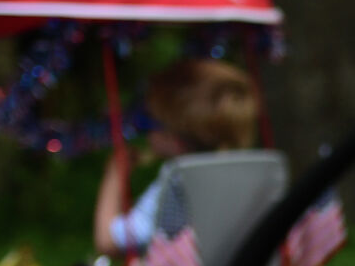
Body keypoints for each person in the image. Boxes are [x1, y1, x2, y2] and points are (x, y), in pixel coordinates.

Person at [92, 58, 259, 255]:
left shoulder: (178, 178)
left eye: (149, 120)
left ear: (174, 136)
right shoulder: (247, 172)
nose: (146, 131)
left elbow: (109, 241)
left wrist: (115, 174)